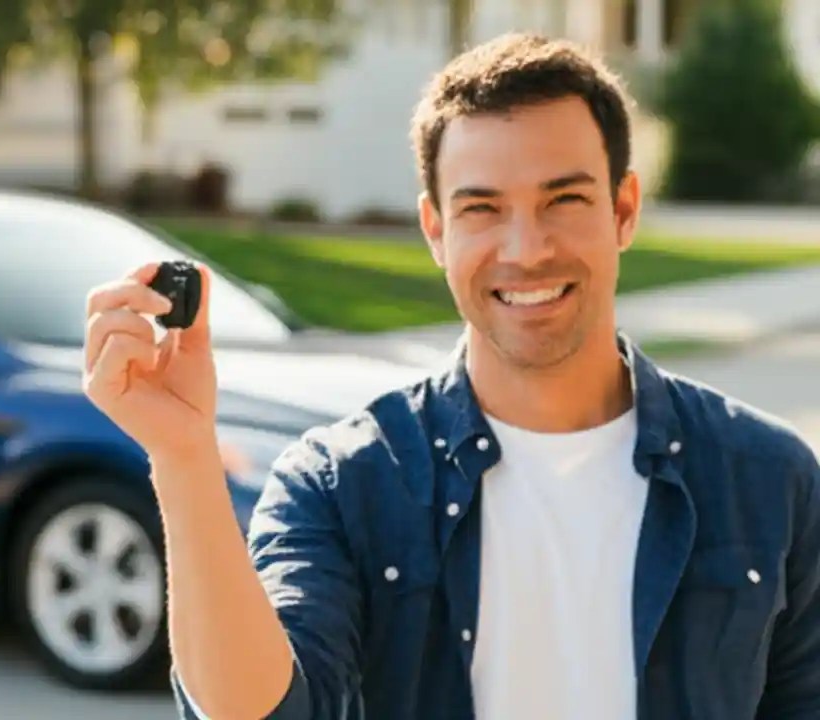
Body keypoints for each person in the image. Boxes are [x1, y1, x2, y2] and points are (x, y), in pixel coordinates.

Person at [82, 32, 820, 719]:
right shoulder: (343, 484)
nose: (526, 249)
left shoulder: (770, 478)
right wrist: (182, 460)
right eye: (483, 209)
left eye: (563, 199)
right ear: (436, 230)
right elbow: (262, 712)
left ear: (623, 209)